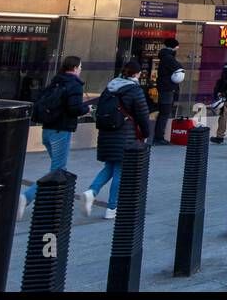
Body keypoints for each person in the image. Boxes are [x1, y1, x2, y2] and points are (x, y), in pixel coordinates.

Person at [20, 56, 88, 220]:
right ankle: (27, 197)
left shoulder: (56, 81)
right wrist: (86, 108)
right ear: (74, 68)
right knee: (58, 170)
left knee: (57, 169)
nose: (80, 70)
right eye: (80, 67)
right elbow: (74, 109)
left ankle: (53, 201)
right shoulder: (74, 85)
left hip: (48, 130)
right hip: (61, 131)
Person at [82, 60, 150, 220]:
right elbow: (143, 115)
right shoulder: (134, 90)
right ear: (136, 74)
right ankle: (112, 207)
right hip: (125, 134)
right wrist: (146, 133)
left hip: (107, 134)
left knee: (109, 167)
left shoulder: (110, 87)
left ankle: (91, 192)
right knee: (120, 170)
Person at [152, 37, 181, 145]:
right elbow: (179, 68)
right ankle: (159, 137)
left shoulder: (165, 56)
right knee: (165, 112)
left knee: (163, 112)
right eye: (177, 46)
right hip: (167, 88)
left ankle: (158, 136)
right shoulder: (169, 57)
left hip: (165, 87)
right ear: (173, 46)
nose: (178, 48)